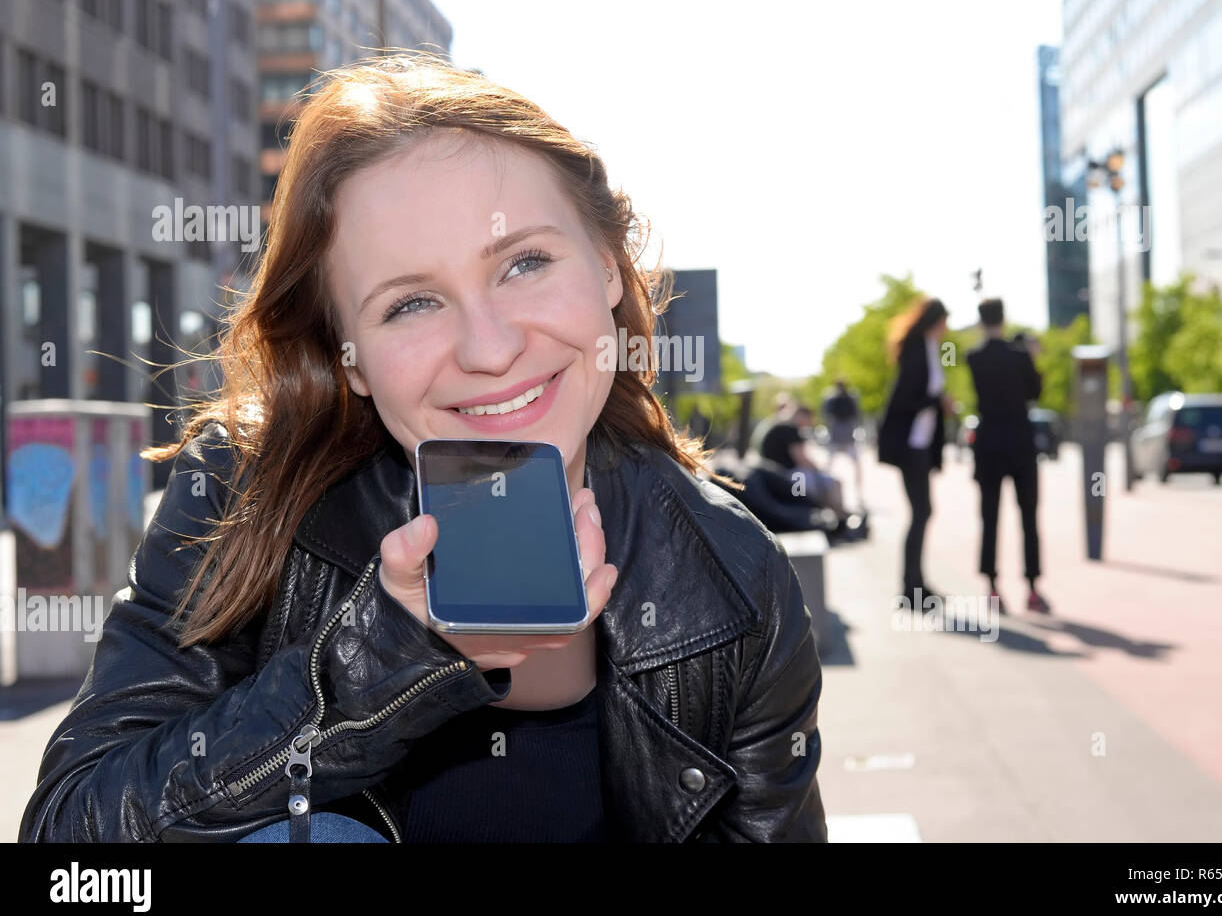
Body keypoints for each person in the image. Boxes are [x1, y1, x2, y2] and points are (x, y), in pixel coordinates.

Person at [19, 53, 827, 843]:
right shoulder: (244, 493)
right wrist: (388, 655)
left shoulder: (730, 576)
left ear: (610, 268)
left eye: (525, 262)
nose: (488, 346)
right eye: (410, 304)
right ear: (351, 357)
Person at [967, 298, 1047, 613]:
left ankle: (991, 587)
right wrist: (1031, 355)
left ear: (981, 320)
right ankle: (1032, 587)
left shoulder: (974, 357)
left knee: (990, 517)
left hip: (988, 444)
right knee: (1029, 517)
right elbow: (1035, 392)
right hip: (1020, 442)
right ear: (1004, 318)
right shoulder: (1020, 356)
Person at [877, 297, 952, 604]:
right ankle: (911, 587)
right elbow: (905, 400)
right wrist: (938, 402)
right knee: (921, 511)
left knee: (922, 512)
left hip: (919, 444)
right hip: (911, 445)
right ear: (937, 320)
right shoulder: (918, 349)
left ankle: (916, 583)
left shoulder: (929, 348)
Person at [759, 405, 864, 540]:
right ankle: (841, 522)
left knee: (823, 485)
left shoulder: (777, 426)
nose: (809, 424)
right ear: (802, 416)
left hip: (776, 476)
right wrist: (819, 469)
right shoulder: (790, 430)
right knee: (833, 484)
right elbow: (801, 460)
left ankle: (838, 520)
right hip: (790, 477)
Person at [821, 379, 866, 512]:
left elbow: (855, 414)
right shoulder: (834, 398)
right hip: (838, 436)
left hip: (844, 435)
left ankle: (859, 494)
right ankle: (825, 492)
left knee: (855, 466)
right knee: (828, 467)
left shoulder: (842, 398)